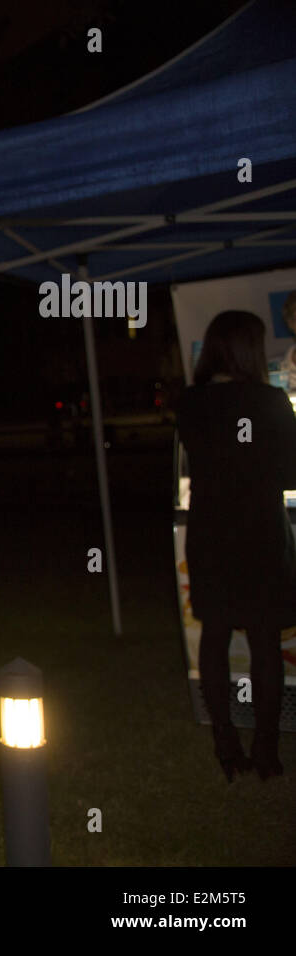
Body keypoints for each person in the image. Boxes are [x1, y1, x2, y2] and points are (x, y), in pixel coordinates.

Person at [177, 310, 296, 782]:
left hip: (210, 532)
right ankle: (265, 750)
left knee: (216, 633)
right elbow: (291, 475)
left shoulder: (190, 403)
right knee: (264, 638)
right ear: (249, 348)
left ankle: (225, 743)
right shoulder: (270, 400)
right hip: (261, 533)